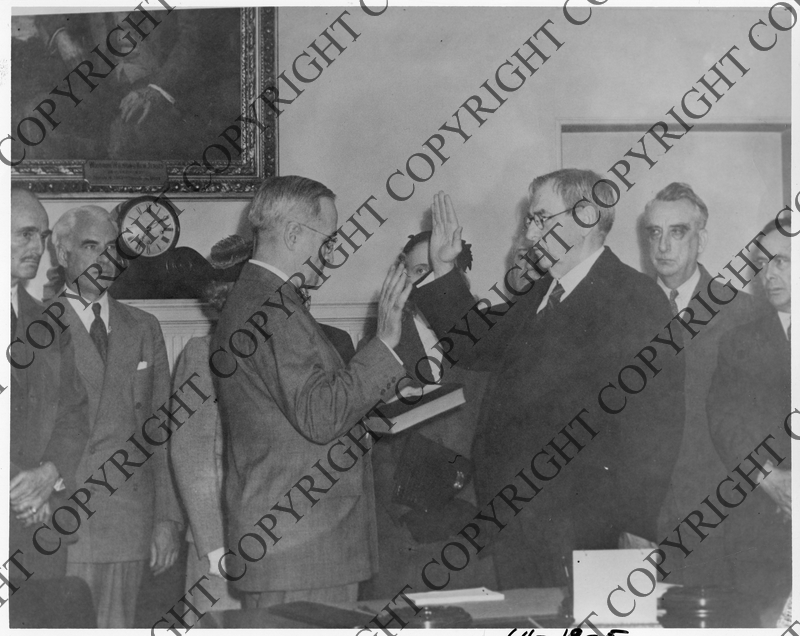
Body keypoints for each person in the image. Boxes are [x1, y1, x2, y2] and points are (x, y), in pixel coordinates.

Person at [412, 170, 685, 588]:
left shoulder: (636, 298)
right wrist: (443, 268)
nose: (527, 231)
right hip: (518, 518)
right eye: (529, 219)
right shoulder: (543, 291)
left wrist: (635, 524)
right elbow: (475, 345)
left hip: (588, 527)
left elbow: (656, 426)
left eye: (539, 218)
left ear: (586, 217)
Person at [212, 175, 411, 607]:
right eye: (329, 239)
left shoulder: (263, 299)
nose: (333, 253)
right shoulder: (272, 307)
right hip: (303, 545)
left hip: (298, 543)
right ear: (293, 233)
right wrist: (385, 345)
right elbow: (321, 416)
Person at [170, 235, 359, 621]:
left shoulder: (312, 349)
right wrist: (214, 550)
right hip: (223, 543)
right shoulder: (202, 354)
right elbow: (191, 457)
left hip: (290, 545)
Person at [50, 205, 182, 628]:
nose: (104, 261)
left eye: (112, 249)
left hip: (130, 523)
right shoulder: (34, 325)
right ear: (61, 252)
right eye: (91, 247)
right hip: (64, 525)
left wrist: (165, 519)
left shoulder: (143, 327)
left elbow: (160, 434)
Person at [361, 231, 497, 599]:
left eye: (439, 271)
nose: (426, 283)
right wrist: (406, 510)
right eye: (418, 270)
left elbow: (494, 431)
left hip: (468, 529)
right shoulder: (377, 345)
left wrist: (468, 505)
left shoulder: (487, 342)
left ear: (460, 278)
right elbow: (370, 441)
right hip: (399, 531)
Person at [643, 182, 760, 588]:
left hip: (721, 516)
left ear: (701, 239)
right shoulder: (626, 311)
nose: (663, 245)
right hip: (643, 519)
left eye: (678, 232)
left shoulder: (742, 314)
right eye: (654, 232)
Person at [707, 215, 791, 627]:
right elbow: (727, 423)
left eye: (782, 261)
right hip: (762, 527)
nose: (768, 274)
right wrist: (768, 478)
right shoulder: (740, 342)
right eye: (764, 262)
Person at [9, 188, 89, 605]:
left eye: (41, 237)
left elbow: (74, 412)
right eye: (25, 234)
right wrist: (17, 485)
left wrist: (49, 475)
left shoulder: (47, 322)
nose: (39, 249)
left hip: (38, 523)